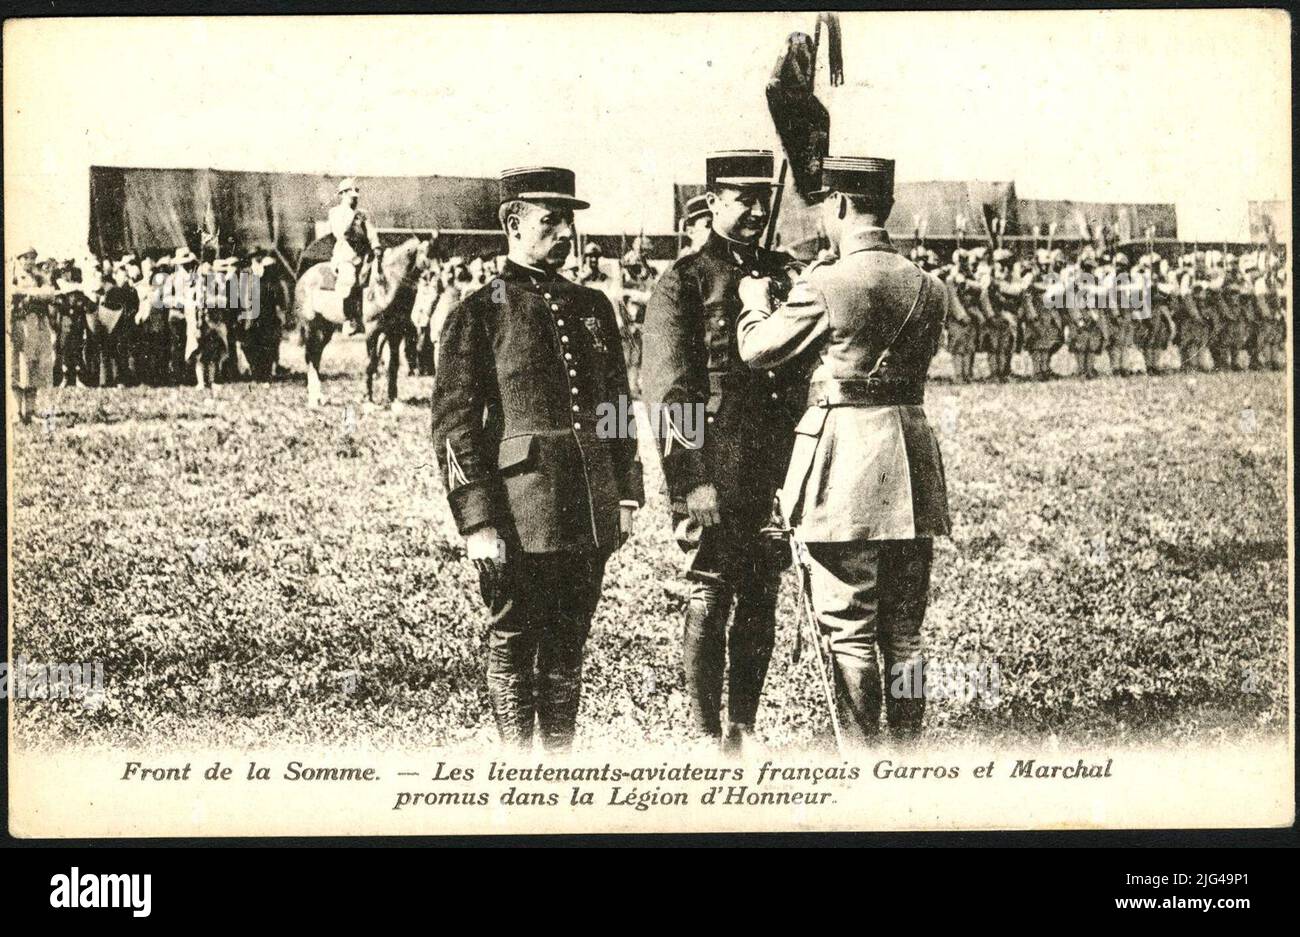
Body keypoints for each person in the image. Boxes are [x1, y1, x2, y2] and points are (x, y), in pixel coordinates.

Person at [735, 155, 950, 746]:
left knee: (849, 627)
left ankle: (862, 762)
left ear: (839, 205)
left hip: (844, 466)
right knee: (905, 633)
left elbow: (758, 350)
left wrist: (756, 299)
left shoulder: (826, 283)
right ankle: (905, 754)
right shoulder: (930, 286)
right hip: (909, 458)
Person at [431, 166, 643, 751]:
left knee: (569, 641)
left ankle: (560, 765)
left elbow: (617, 406)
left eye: (569, 222)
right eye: (550, 221)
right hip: (520, 510)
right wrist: (478, 520)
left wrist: (625, 491)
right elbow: (454, 426)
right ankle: (522, 773)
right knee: (515, 637)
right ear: (512, 224)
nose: (566, 234)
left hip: (589, 502)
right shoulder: (479, 309)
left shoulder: (593, 305)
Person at [642, 149, 809, 753]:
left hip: (776, 465)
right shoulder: (684, 280)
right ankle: (706, 733)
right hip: (715, 469)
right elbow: (670, 389)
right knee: (711, 592)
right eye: (741, 199)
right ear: (713, 203)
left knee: (762, 593)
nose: (754, 211)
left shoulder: (784, 274)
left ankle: (743, 726)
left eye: (762, 199)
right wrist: (691, 479)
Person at [8, 248, 55, 423]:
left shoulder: (38, 275)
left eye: (32, 258)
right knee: (19, 367)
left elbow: (50, 292)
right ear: (19, 259)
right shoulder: (12, 273)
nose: (29, 261)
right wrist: (32, 293)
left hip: (38, 322)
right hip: (21, 323)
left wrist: (30, 293)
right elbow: (11, 292)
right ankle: (16, 411)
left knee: (34, 365)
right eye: (25, 258)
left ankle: (30, 410)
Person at [328, 177, 380, 335]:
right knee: (349, 279)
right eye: (352, 193)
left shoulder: (362, 214)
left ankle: (372, 315)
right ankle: (349, 319)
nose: (355, 196)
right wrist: (352, 215)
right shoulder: (335, 212)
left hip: (364, 254)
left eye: (356, 192)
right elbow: (341, 232)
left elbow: (370, 231)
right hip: (346, 255)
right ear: (343, 194)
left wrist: (376, 245)